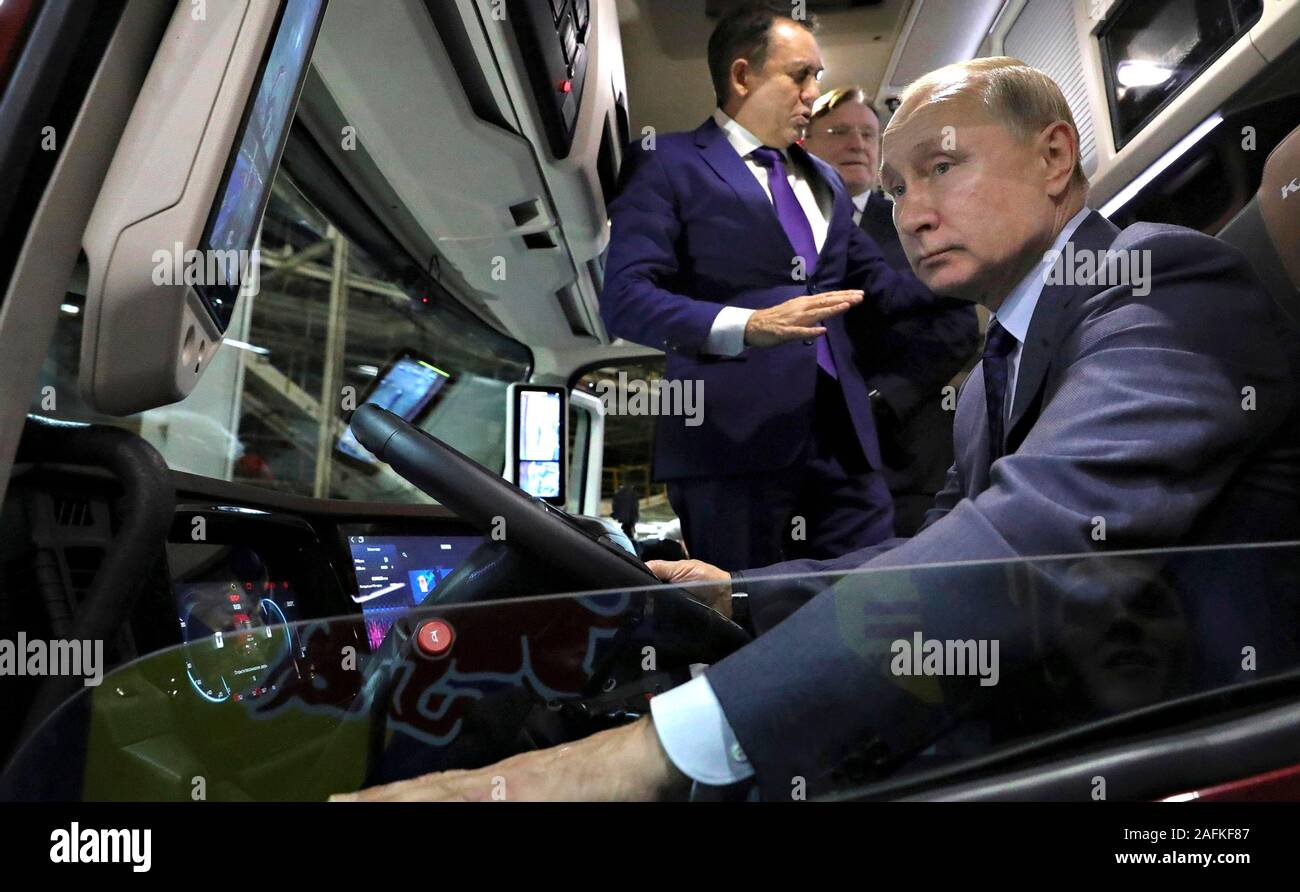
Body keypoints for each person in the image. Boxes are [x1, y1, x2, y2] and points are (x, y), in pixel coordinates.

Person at [335, 57, 1300, 802]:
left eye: (942, 169)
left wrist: (643, 752)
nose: (914, 215)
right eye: (898, 189)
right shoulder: (1006, 354)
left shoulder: (1158, 280)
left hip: (1162, 758)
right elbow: (934, 555)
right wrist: (739, 596)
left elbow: (1027, 545)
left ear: (1055, 158)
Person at [597, 3, 977, 571]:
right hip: (730, 440)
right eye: (800, 75)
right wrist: (750, 326)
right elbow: (626, 300)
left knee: (869, 597)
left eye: (817, 76)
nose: (812, 91)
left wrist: (976, 264)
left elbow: (881, 291)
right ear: (742, 75)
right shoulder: (666, 162)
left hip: (844, 442)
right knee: (739, 605)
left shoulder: (821, 179)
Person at [803, 86, 973, 535]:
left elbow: (956, 328)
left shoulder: (919, 218)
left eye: (867, 133)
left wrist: (880, 400)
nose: (856, 143)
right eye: (838, 131)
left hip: (903, 460)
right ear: (802, 144)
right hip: (801, 467)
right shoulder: (774, 227)